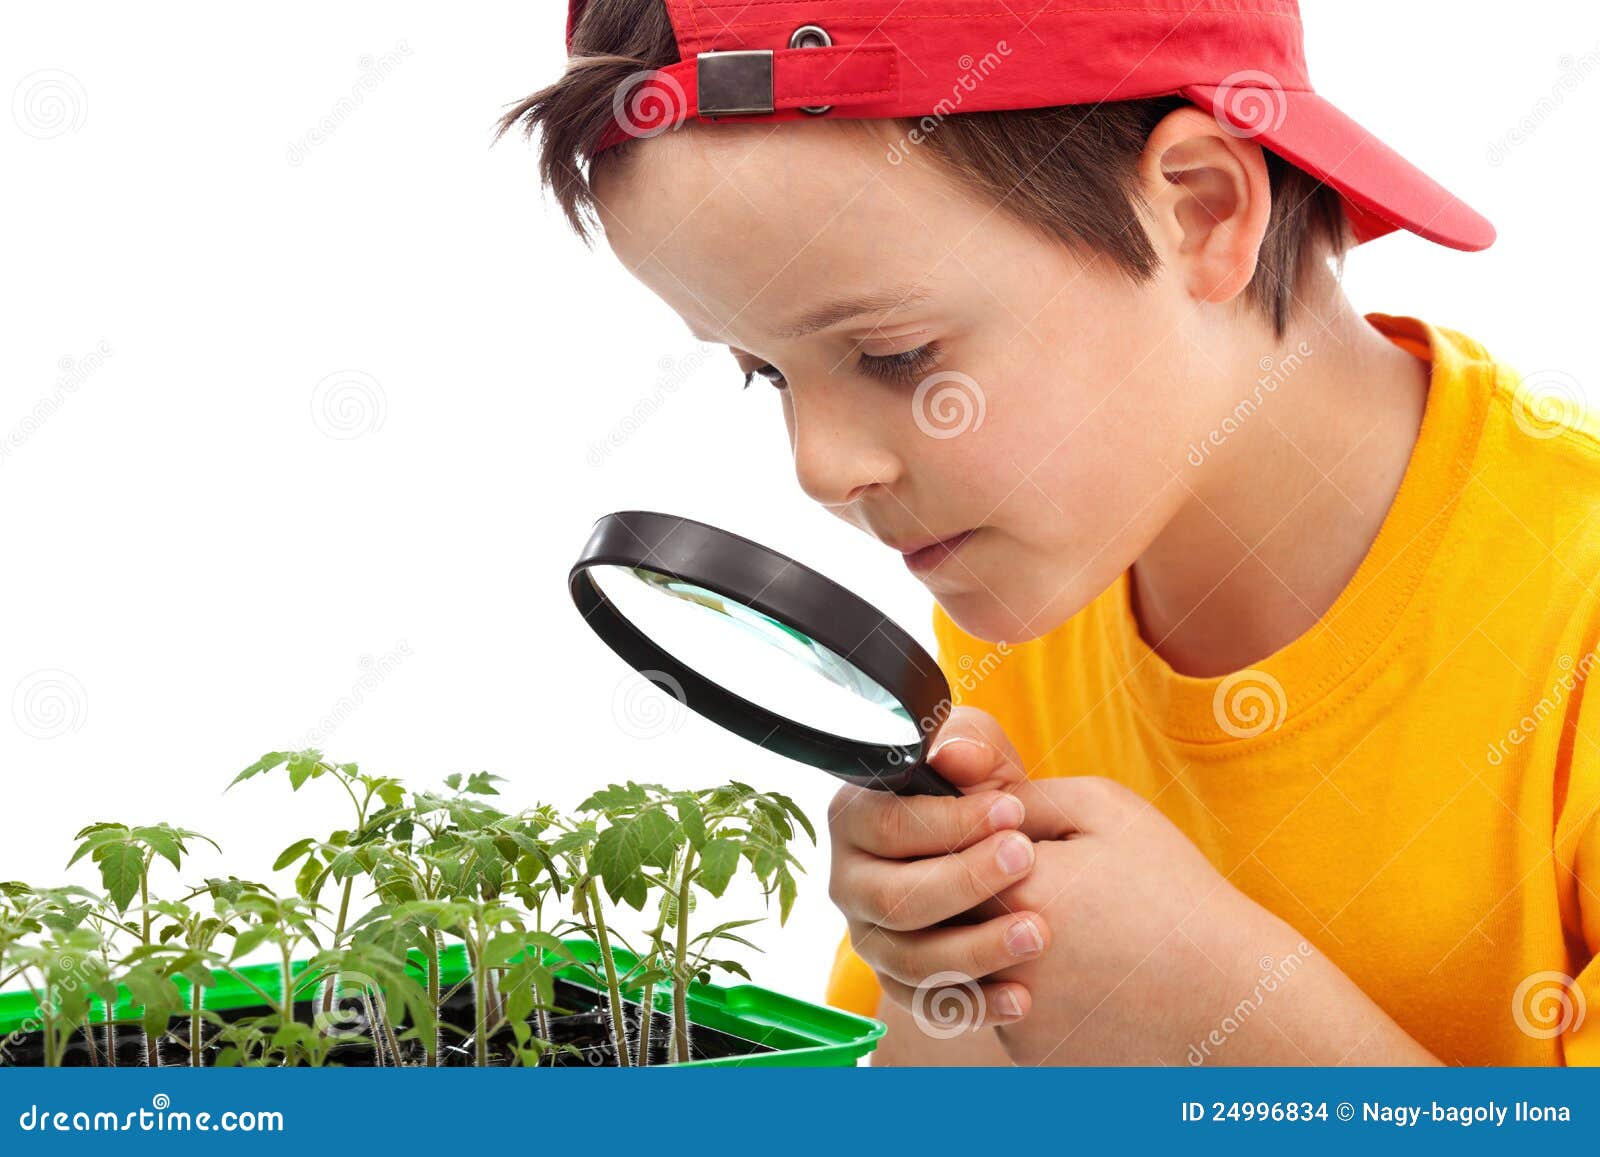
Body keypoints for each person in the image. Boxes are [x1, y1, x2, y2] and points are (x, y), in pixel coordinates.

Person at [503, 0, 1600, 1064]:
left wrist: (1239, 1027)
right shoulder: (1018, 600)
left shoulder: (1570, 614)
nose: (819, 467)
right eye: (764, 372)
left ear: (1202, 210)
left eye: (895, 355)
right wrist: (940, 978)